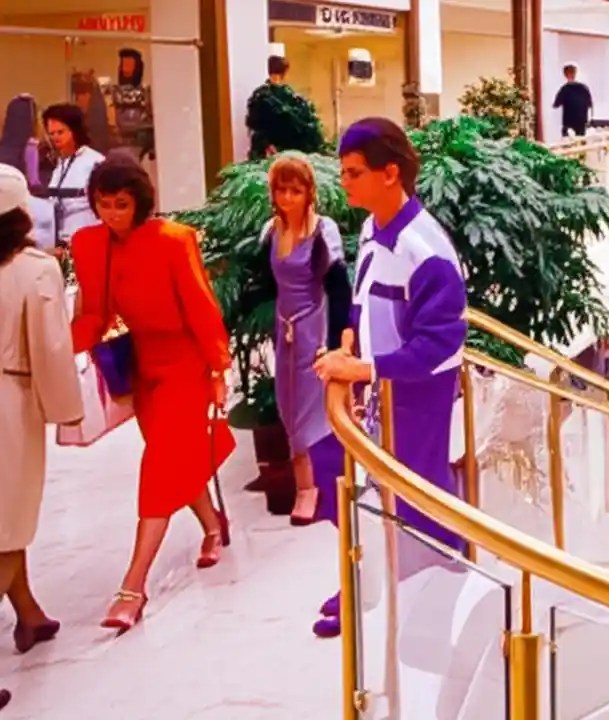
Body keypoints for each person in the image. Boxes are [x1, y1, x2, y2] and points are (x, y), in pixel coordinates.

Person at [310, 117, 468, 638]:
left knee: (418, 500)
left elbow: (441, 342)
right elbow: (365, 297)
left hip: (418, 395)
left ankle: (437, 601)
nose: (345, 181)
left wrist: (364, 369)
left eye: (354, 173)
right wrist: (353, 342)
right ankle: (371, 577)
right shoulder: (371, 227)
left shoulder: (427, 249)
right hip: (382, 388)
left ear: (389, 174)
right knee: (340, 471)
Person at [68, 155, 235, 631]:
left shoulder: (172, 240)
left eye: (121, 204)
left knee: (161, 464)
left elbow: (201, 307)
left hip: (185, 363)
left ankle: (133, 585)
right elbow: (92, 317)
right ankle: (212, 525)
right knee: (173, 457)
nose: (111, 214)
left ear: (140, 202)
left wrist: (219, 368)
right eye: (103, 204)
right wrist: (57, 352)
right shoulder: (91, 244)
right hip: (141, 365)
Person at [0, 165, 83, 710]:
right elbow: (51, 348)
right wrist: (66, 411)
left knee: (10, 514)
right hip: (9, 404)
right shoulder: (34, 270)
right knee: (9, 522)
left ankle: (28, 612)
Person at [262, 153, 352, 525]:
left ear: (308, 192)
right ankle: (305, 482)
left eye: (294, 191)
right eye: (281, 190)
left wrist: (337, 341)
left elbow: (339, 287)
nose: (287, 198)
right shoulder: (271, 230)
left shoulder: (322, 230)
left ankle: (312, 488)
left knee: (312, 405)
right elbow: (265, 282)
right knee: (287, 406)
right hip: (283, 328)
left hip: (314, 325)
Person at [42, 103, 105, 247]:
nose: (55, 138)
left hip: (88, 240)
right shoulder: (59, 165)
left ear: (74, 131)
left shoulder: (94, 162)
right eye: (51, 134)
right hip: (62, 241)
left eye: (60, 132)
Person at [552, 63, 593, 138]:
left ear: (565, 75)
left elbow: (556, 104)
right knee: (579, 143)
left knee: (568, 143)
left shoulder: (565, 89)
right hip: (580, 122)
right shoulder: (583, 88)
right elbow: (590, 104)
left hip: (569, 122)